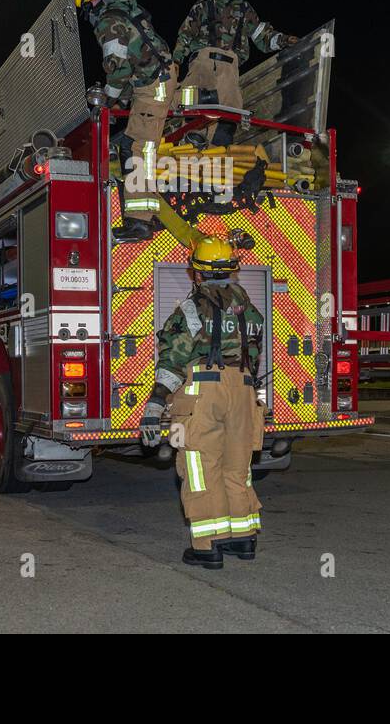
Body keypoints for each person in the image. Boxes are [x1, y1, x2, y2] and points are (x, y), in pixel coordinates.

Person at [141, 232, 265, 569]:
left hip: (203, 391)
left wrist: (155, 405)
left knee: (200, 469)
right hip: (243, 392)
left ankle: (207, 546)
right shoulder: (249, 309)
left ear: (197, 272)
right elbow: (253, 353)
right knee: (237, 467)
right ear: (232, 270)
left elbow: (172, 361)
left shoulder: (189, 310)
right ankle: (243, 539)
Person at [76, 0, 177, 241]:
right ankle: (146, 217)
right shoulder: (124, 12)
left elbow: (118, 70)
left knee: (137, 150)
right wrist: (119, 100)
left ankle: (140, 223)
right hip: (152, 83)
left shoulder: (109, 21)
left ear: (92, 2)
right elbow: (133, 65)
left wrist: (105, 102)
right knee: (131, 145)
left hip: (153, 86)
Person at [172, 0, 298, 146]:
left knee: (229, 114)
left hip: (229, 69)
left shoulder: (246, 10)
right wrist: (176, 61)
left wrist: (285, 40)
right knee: (192, 108)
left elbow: (263, 38)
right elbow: (185, 36)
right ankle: (188, 146)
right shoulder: (203, 6)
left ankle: (217, 153)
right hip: (202, 65)